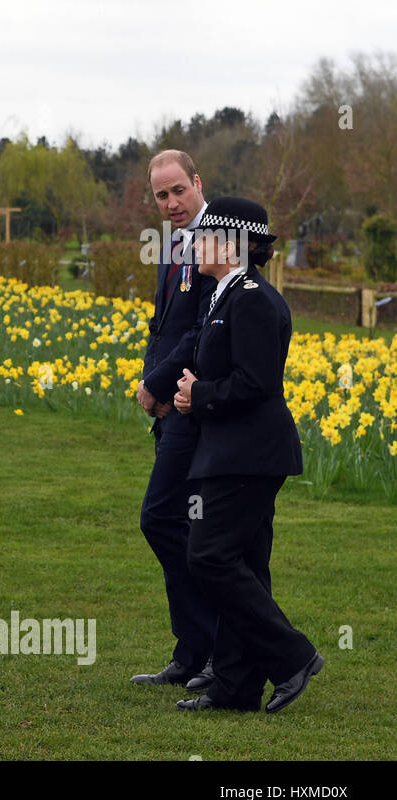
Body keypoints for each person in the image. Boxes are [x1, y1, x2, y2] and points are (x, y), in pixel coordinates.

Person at [171, 196, 324, 713]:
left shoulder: (254, 299)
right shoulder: (228, 294)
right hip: (236, 451)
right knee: (246, 566)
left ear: (232, 245)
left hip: (250, 455)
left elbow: (257, 383)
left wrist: (200, 396)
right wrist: (195, 393)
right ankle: (236, 688)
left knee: (208, 557)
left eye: (204, 237)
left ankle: (294, 655)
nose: (194, 245)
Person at [130, 150, 219, 691]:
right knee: (178, 525)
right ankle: (191, 653)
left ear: (197, 182)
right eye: (161, 195)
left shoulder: (218, 241)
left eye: (178, 190)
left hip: (193, 405)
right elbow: (161, 325)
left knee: (162, 519)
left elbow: (202, 330)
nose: (171, 203)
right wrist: (148, 385)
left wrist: (161, 385)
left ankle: (212, 647)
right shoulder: (169, 244)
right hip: (167, 406)